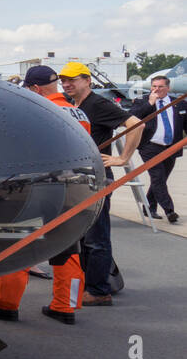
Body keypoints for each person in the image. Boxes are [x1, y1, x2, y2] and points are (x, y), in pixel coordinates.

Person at [0, 66, 89, 324]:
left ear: (35, 89)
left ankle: (6, 304)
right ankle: (65, 308)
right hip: (74, 189)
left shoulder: (36, 111)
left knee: (15, 244)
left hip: (39, 189)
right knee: (67, 248)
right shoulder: (79, 113)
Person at [59, 61, 138, 306]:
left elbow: (136, 124)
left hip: (97, 180)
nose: (66, 84)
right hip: (82, 179)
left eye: (72, 79)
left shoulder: (98, 104)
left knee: (96, 237)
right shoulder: (76, 105)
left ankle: (99, 290)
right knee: (84, 237)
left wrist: (122, 158)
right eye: (63, 79)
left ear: (87, 80)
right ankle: (95, 282)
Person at [130, 74, 184, 223]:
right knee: (158, 177)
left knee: (161, 179)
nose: (157, 89)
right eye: (154, 86)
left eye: (160, 87)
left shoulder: (178, 103)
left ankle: (149, 207)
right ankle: (170, 211)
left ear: (168, 88)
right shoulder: (142, 101)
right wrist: (150, 103)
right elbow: (131, 117)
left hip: (171, 146)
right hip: (150, 146)